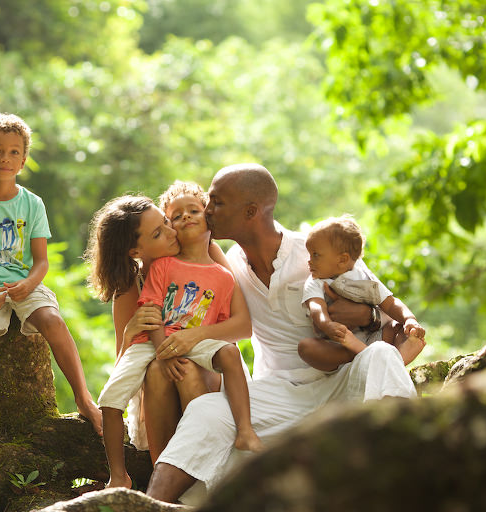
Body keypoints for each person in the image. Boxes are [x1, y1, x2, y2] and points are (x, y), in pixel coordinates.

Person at [146, 163, 419, 503]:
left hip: (343, 380)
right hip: (278, 393)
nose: (207, 211)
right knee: (207, 412)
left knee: (380, 354)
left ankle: (405, 474)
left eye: (216, 203)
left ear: (250, 211)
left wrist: (369, 314)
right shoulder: (228, 265)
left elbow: (387, 310)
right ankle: (147, 505)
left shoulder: (315, 249)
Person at [0, 113, 102, 462]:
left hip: (24, 282)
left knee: (53, 322)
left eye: (14, 152)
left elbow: (41, 261)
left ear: (24, 160)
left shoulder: (31, 203)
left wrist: (29, 284)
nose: (5, 158)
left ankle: (84, 399)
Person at [97, 181, 261, 488]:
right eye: (161, 231)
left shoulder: (206, 251)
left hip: (206, 367)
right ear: (136, 250)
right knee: (159, 369)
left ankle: (209, 466)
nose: (173, 231)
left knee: (182, 367)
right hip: (158, 382)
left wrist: (191, 338)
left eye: (165, 222)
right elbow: (128, 363)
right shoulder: (132, 284)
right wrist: (132, 330)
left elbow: (241, 326)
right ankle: (165, 480)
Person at [298, 215, 426, 371]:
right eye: (309, 254)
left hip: (376, 340)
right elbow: (317, 309)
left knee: (397, 326)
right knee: (306, 348)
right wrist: (327, 325)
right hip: (343, 347)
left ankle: (395, 358)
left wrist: (409, 320)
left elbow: (390, 303)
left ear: (342, 259)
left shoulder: (364, 277)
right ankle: (382, 361)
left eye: (315, 255)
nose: (309, 260)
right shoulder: (315, 282)